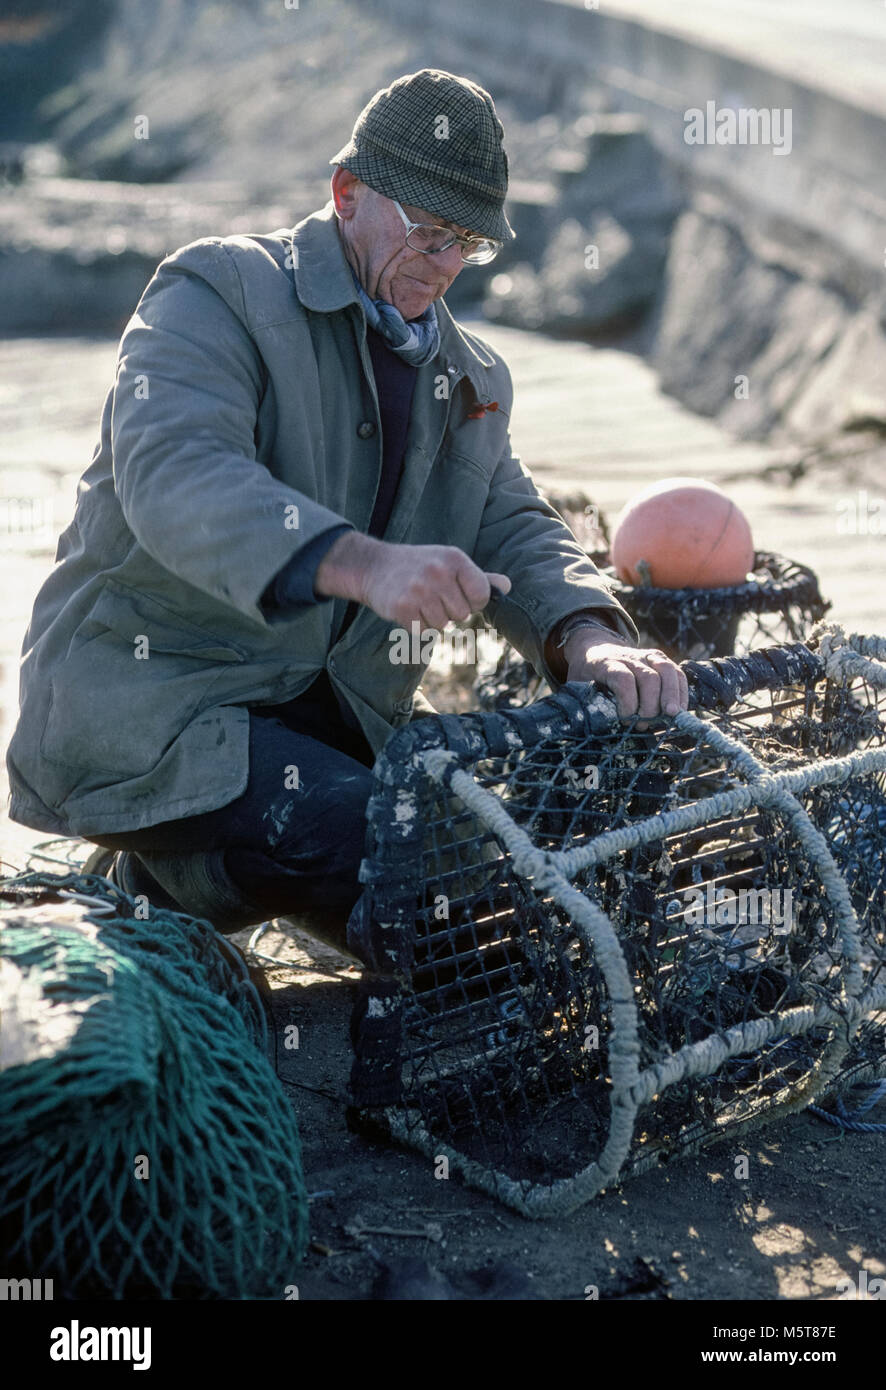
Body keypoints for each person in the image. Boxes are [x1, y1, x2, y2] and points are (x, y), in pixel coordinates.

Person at [7, 69, 688, 951]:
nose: (444, 268)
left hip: (338, 722)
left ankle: (191, 878)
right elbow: (176, 475)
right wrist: (367, 564)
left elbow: (512, 519)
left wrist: (587, 634)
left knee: (508, 866)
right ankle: (169, 879)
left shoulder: (472, 376)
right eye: (429, 233)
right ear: (346, 193)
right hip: (162, 710)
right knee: (417, 868)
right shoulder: (217, 294)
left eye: (469, 245)